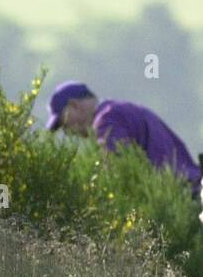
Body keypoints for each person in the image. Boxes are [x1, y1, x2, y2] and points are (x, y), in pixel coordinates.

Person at [46, 80, 202, 198]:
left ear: (74, 105)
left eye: (63, 123)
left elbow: (117, 174)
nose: (67, 132)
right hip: (193, 190)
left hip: (181, 199)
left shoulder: (106, 121)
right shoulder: (125, 109)